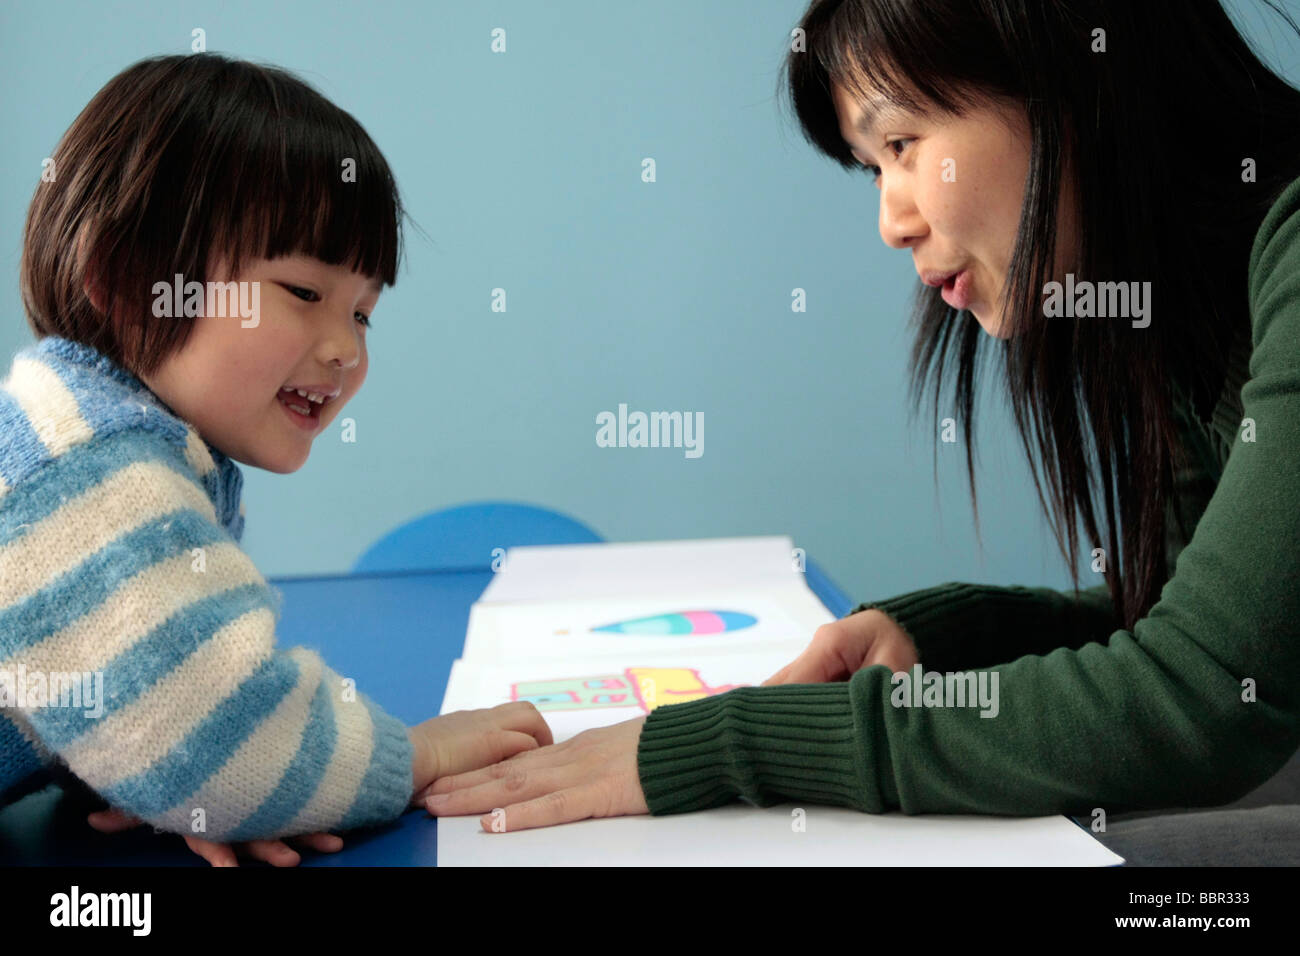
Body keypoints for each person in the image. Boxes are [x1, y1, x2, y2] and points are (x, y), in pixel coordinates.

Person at [421, 0, 1300, 865]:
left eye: (902, 145)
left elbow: (1209, 695)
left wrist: (731, 745)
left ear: (1069, 74)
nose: (892, 221)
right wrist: (937, 639)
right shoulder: (1191, 306)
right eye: (872, 167)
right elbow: (1192, 624)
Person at [0, 53, 551, 867]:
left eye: (364, 314)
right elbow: (222, 734)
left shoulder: (96, 435)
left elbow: (152, 714)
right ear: (129, 283)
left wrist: (152, 773)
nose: (344, 351)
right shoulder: (94, 471)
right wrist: (417, 758)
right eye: (303, 293)